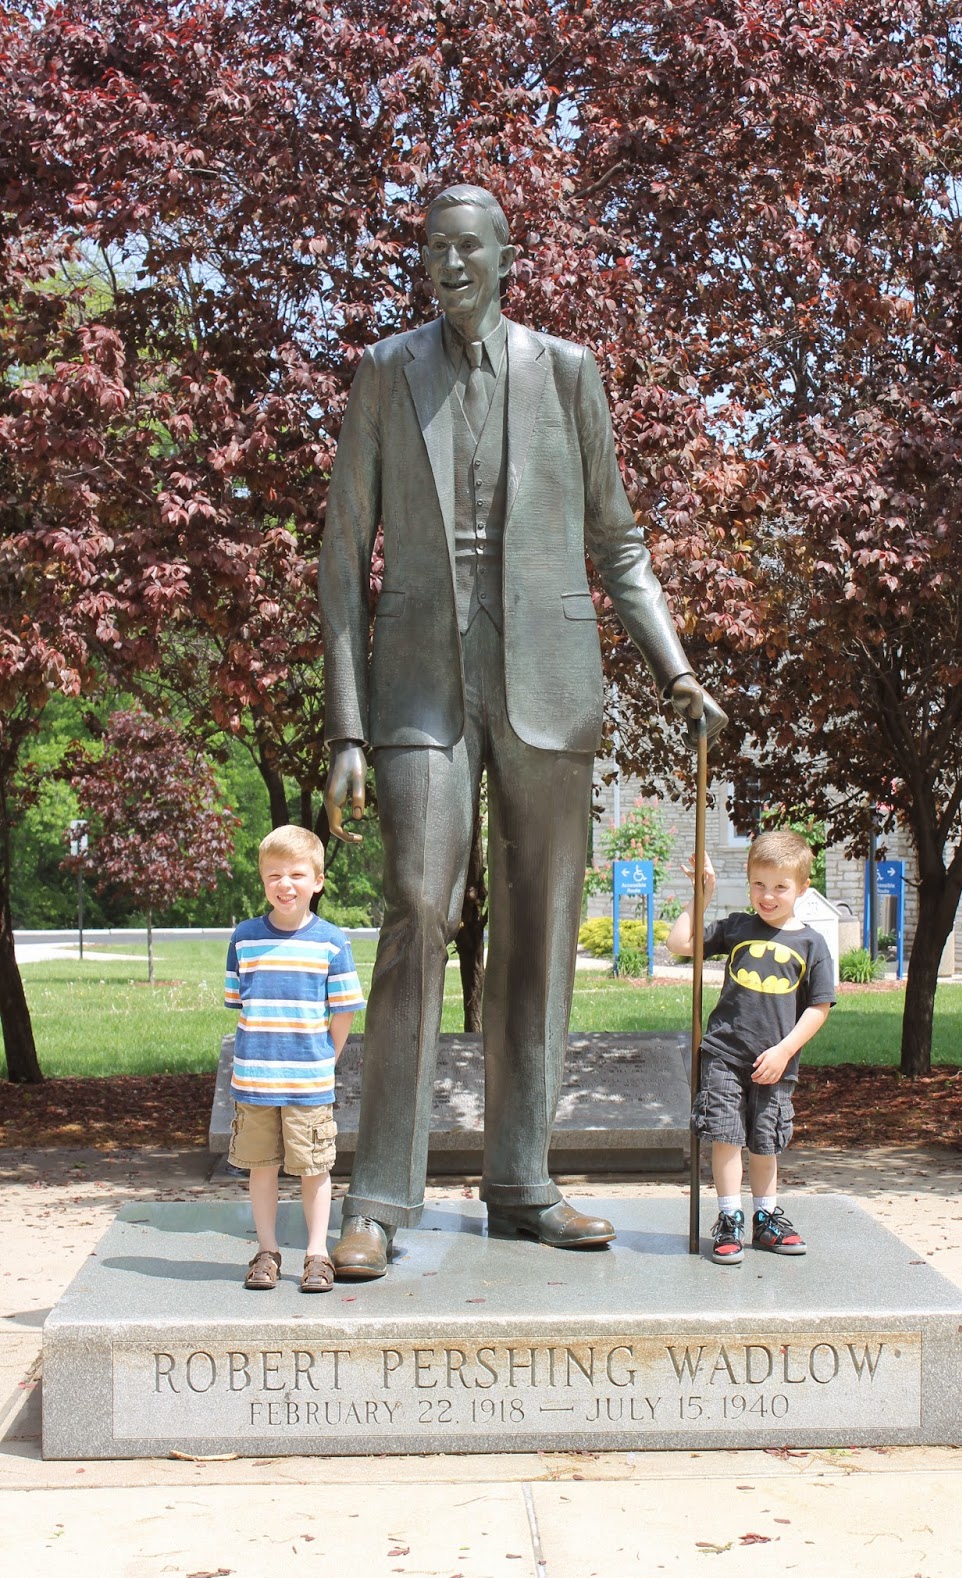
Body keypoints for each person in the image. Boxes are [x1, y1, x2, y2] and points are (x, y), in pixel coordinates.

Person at [318, 182, 725, 1279]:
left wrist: (673, 666)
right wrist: (346, 730)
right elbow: (342, 556)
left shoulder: (567, 373)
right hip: (419, 687)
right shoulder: (383, 372)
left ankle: (522, 1180)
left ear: (505, 256)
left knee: (542, 929)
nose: (448, 264)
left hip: (548, 678)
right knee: (415, 903)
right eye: (432, 247)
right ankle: (379, 1198)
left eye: (468, 247)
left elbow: (620, 542)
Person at [666, 829, 834, 1265]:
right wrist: (701, 894)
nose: (769, 895)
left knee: (765, 1144)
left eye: (781, 886)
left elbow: (818, 1008)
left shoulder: (811, 944)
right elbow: (680, 944)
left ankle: (766, 1219)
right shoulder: (739, 927)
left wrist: (784, 1051)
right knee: (725, 1137)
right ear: (748, 879)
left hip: (775, 1061)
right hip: (724, 1054)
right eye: (759, 884)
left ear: (802, 888)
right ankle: (729, 1219)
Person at [224, 825, 364, 1292]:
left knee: (314, 1168)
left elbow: (342, 1012)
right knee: (261, 1167)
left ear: (318, 880)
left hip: (308, 1083)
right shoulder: (244, 939)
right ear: (263, 881)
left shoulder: (331, 941)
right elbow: (240, 1006)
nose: (285, 885)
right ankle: (266, 1252)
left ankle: (317, 1254)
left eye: (297, 874)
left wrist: (326, 1059)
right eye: (274, 875)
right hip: (256, 1082)